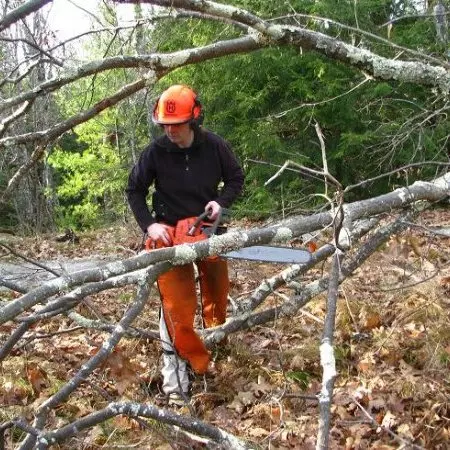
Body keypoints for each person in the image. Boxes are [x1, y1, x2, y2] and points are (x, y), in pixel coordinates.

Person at [126, 84, 244, 404]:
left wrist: (221, 203)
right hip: (168, 232)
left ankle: (212, 346)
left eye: (176, 125)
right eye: (166, 125)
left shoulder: (214, 146)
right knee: (176, 308)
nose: (171, 131)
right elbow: (134, 190)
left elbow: (235, 178)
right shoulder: (155, 153)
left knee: (217, 293)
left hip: (205, 226)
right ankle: (178, 378)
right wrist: (149, 226)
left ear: (193, 119)